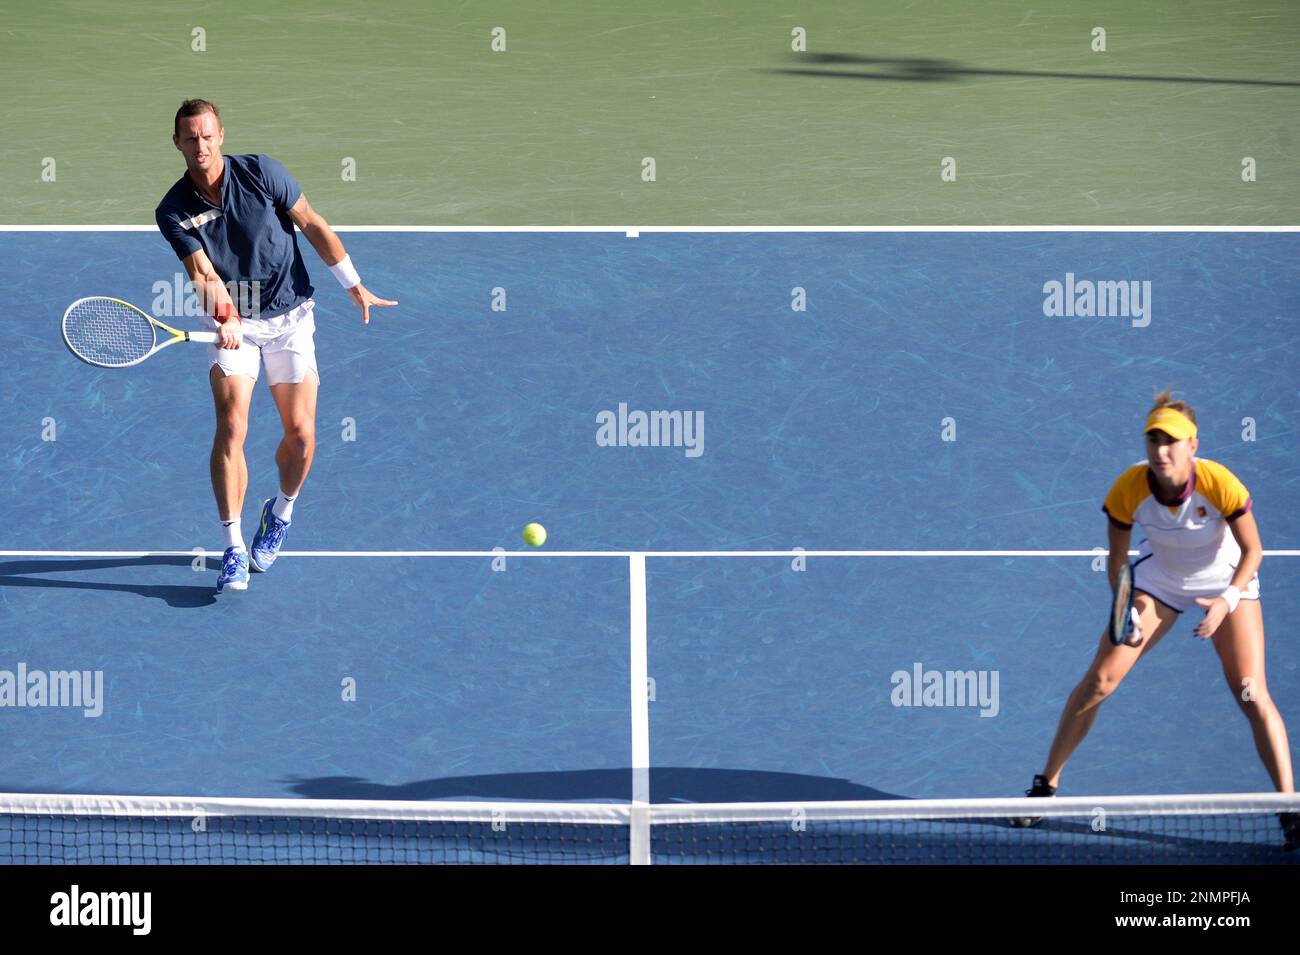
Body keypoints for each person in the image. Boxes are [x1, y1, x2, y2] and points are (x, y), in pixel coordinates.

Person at [1015, 389, 1297, 849]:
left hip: (1227, 580)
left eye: (1172, 441)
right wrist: (1125, 608)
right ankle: (1045, 786)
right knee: (1099, 682)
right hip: (1161, 581)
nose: (1161, 451)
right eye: (1153, 441)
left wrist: (1227, 600)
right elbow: (1117, 561)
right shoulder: (1128, 488)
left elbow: (1253, 551)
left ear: (1193, 446)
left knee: (1250, 691)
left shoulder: (1220, 482)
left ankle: (1290, 810)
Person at [154, 99, 396, 593]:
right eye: (189, 138)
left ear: (221, 135)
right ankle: (233, 548)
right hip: (233, 322)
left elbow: (310, 222)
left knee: (302, 436)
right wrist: (226, 317)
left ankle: (280, 512)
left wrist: (353, 283)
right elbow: (201, 272)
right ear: (176, 143)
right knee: (232, 425)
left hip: (290, 316)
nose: (199, 146)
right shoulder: (173, 209)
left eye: (207, 135)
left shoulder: (263, 172)